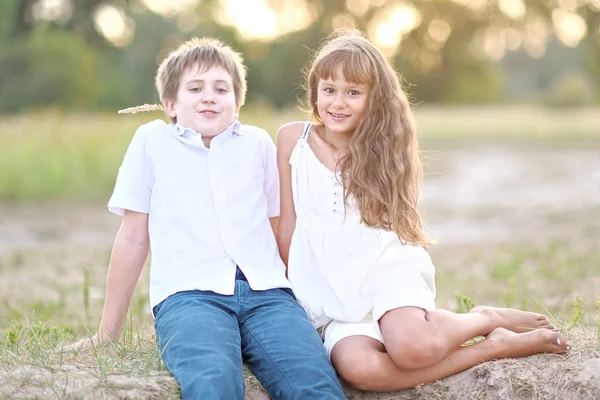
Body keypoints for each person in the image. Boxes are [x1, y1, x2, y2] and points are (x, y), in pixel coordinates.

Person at [275, 28, 571, 392]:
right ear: (314, 90)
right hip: (328, 292)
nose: (338, 102)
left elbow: (392, 226)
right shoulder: (293, 139)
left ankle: (481, 319)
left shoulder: (382, 147)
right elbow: (287, 224)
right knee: (361, 370)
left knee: (413, 350)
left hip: (383, 274)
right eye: (329, 90)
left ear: (374, 98)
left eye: (353, 92)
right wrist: (290, 296)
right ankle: (494, 342)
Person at [66, 37, 345, 400]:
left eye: (221, 88)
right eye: (195, 88)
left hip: (268, 294)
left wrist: (300, 301)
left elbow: (279, 227)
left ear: (237, 102)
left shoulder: (258, 143)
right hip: (189, 296)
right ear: (170, 103)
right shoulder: (152, 140)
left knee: (314, 382)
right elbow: (133, 237)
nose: (209, 96)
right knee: (213, 381)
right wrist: (108, 331)